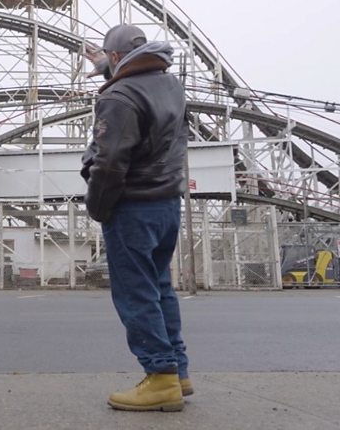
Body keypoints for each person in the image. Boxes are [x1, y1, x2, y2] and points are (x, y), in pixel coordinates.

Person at [81, 24, 192, 412]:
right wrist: (108, 69)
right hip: (166, 202)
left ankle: (159, 377)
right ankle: (178, 371)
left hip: (132, 204)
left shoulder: (119, 96)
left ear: (115, 59)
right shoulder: (171, 85)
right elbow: (140, 92)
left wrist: (97, 206)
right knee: (160, 287)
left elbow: (110, 162)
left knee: (135, 292)